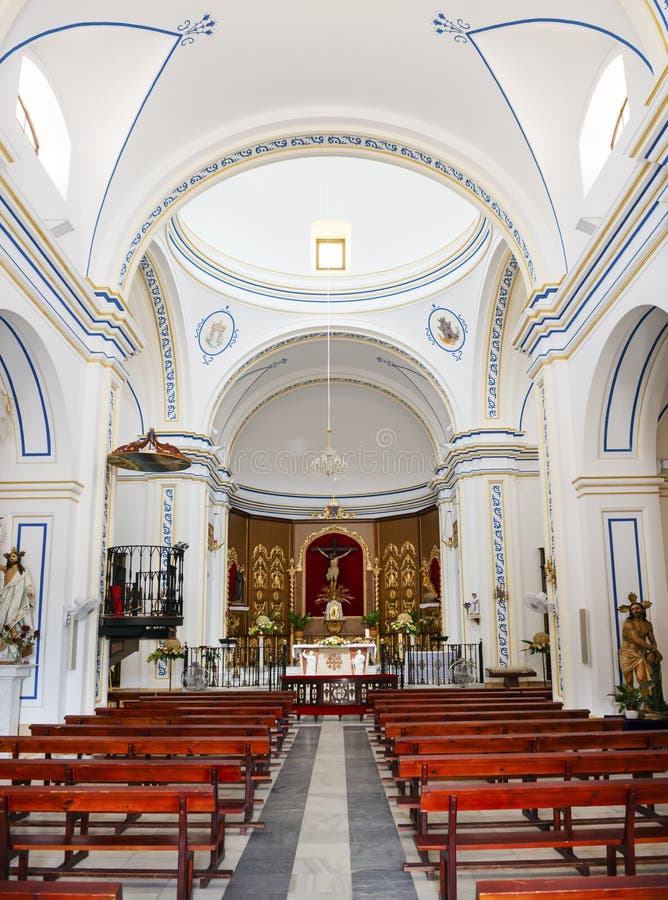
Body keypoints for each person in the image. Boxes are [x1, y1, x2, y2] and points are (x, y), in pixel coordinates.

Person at [619, 593, 667, 713]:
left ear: (642, 609)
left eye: (637, 608)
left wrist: (652, 649)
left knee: (642, 679)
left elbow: (652, 640)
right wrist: (653, 649)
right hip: (626, 654)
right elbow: (637, 639)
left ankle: (647, 705)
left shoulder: (647, 624)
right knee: (629, 682)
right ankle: (631, 706)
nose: (635, 610)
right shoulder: (628, 623)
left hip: (639, 654)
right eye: (633, 609)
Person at [0, 547, 35, 636]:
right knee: (3, 614)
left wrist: (29, 591)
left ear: (18, 559)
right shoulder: (6, 569)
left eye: (14, 556)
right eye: (10, 556)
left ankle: (14, 635)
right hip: (5, 595)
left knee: (12, 613)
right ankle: (6, 636)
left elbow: (28, 583)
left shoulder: (23, 571)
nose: (11, 558)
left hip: (17, 595)